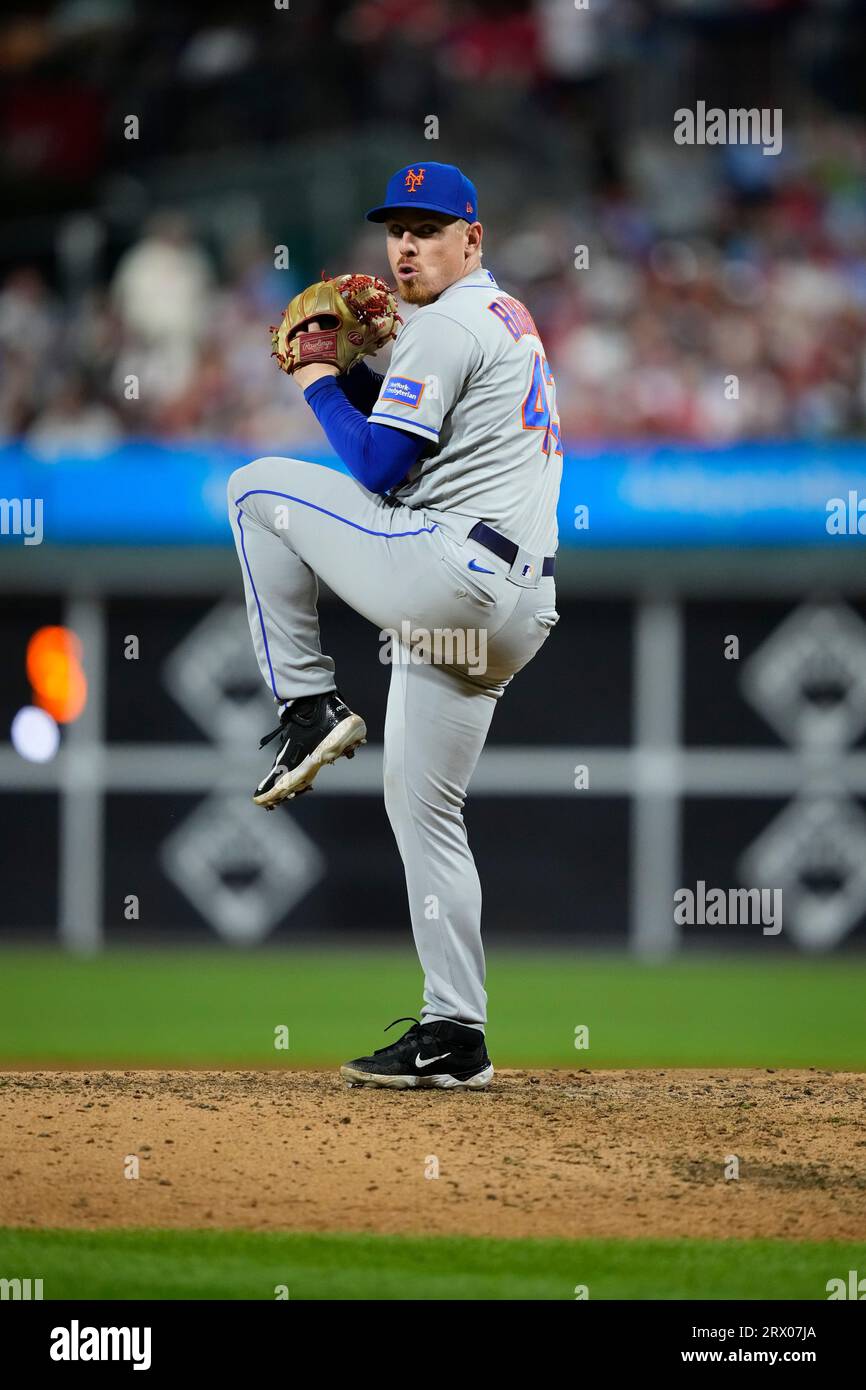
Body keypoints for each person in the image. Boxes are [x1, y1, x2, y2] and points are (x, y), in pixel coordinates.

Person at [228, 162, 562, 1089]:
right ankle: (457, 1033)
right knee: (425, 810)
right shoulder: (501, 318)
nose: (407, 245)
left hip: (453, 577)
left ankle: (304, 703)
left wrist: (320, 378)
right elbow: (419, 452)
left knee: (253, 489)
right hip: (507, 612)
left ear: (472, 239)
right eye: (395, 228)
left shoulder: (449, 323)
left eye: (429, 227)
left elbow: (377, 470)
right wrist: (373, 367)